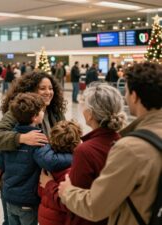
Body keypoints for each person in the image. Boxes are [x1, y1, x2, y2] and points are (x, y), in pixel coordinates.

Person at [58, 62, 162, 225]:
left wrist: (67, 191)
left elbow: (96, 206)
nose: (125, 97)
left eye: (126, 91)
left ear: (134, 96)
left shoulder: (131, 148)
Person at [42, 82, 126, 225]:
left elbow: (72, 202)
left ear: (91, 114)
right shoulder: (123, 143)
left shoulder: (85, 151)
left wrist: (49, 184)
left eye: (85, 105)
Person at [0, 71, 67, 225]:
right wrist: (22, 138)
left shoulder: (55, 113)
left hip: (41, 185)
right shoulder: (19, 112)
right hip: (18, 185)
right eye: (42, 88)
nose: (48, 92)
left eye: (50, 88)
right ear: (31, 91)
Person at [38, 120, 82, 225]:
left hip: (44, 216)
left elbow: (39, 191)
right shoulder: (72, 171)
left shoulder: (46, 166)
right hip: (60, 219)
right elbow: (67, 202)